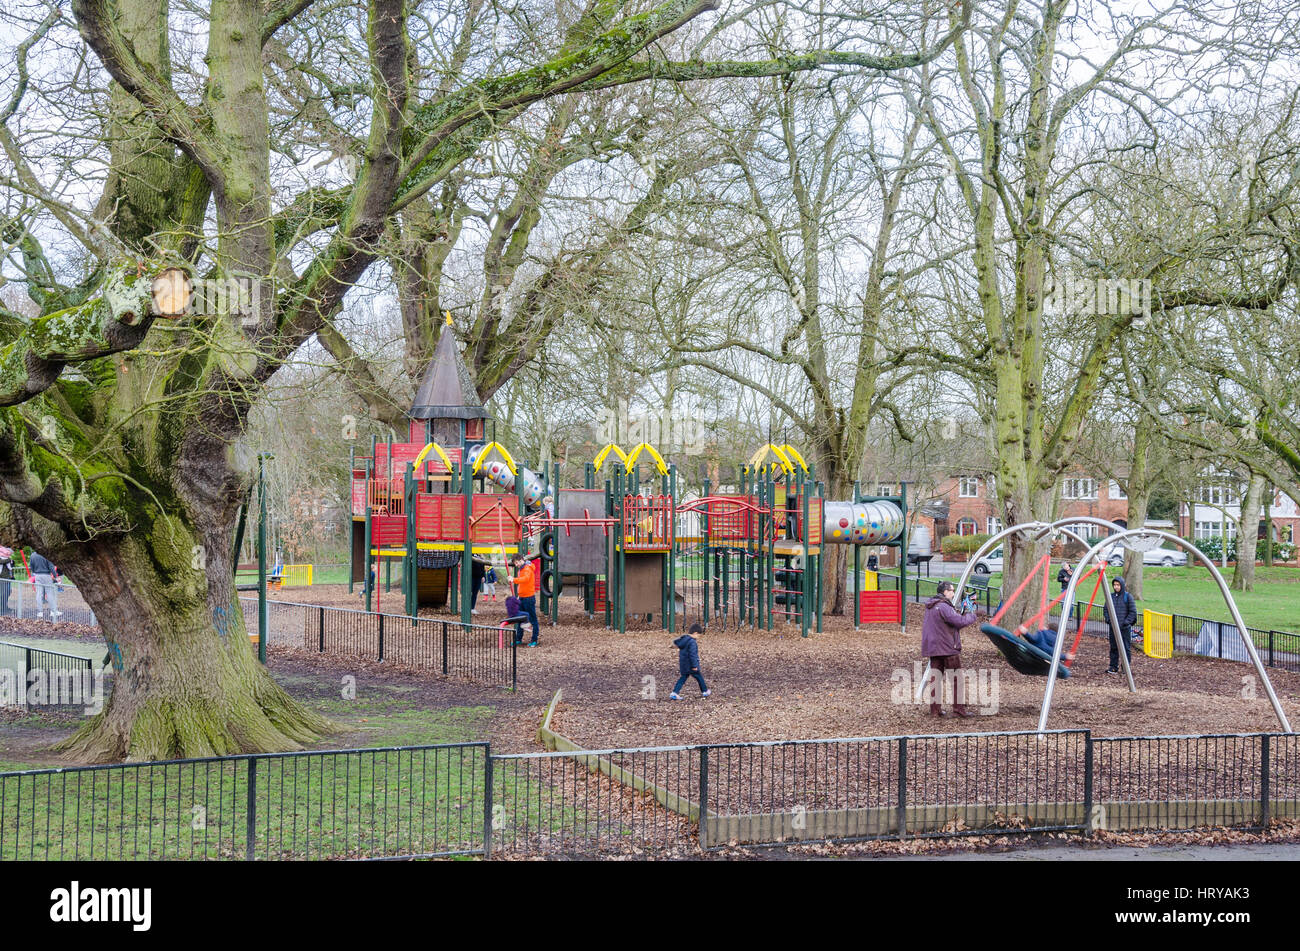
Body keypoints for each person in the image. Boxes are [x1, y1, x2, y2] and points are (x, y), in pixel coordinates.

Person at [920, 580, 977, 717]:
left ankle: (935, 710)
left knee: (936, 679)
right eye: (951, 590)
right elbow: (960, 622)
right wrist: (973, 615)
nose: (953, 592)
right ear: (945, 592)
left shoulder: (931, 606)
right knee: (957, 680)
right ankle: (958, 710)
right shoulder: (944, 606)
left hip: (934, 648)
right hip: (947, 648)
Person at [1103, 576, 1137, 674]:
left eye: (1118, 585)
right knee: (1113, 647)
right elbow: (1106, 609)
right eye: (1114, 585)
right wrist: (1109, 620)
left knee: (1126, 648)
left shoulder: (1128, 597)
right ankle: (1113, 666)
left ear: (1122, 585)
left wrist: (1125, 623)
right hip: (1113, 627)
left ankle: (1125, 667)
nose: (1116, 587)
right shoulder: (1111, 597)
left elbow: (1132, 612)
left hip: (1124, 628)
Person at [670, 623, 710, 699]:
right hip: (691, 665)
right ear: (695, 633)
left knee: (683, 678)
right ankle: (705, 691)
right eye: (698, 635)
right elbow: (693, 655)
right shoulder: (692, 642)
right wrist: (695, 665)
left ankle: (674, 692)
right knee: (699, 676)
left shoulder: (684, 640)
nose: (698, 637)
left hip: (684, 664)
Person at [510, 555, 540, 646]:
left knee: (532, 619)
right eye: (515, 563)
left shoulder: (527, 568)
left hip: (529, 598)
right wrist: (519, 595)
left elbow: (525, 580)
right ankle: (519, 638)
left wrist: (513, 579)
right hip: (522, 597)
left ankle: (534, 640)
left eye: (517, 562)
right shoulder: (521, 569)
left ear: (521, 560)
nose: (516, 565)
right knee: (520, 619)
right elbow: (522, 585)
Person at [0, 546, 12, 616]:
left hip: (7, 578)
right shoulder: (4, 558)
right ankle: (1, 609)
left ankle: (5, 607)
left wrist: (10, 561)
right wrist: (9, 559)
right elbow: (1, 562)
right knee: (2, 594)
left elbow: (12, 564)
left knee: (7, 593)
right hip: (2, 578)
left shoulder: (6, 557)